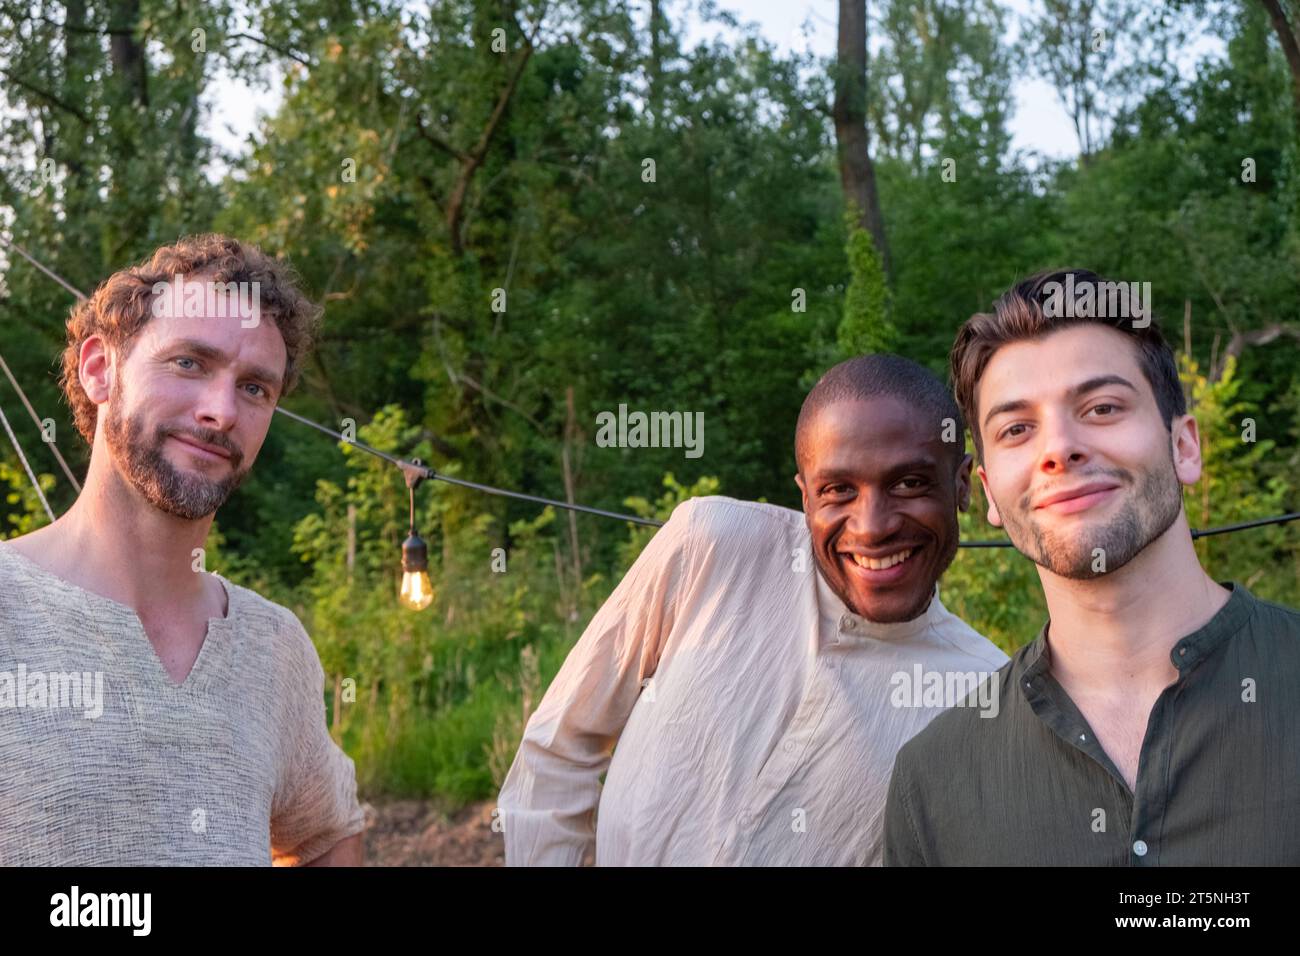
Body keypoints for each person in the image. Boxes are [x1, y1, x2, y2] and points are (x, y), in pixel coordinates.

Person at [498, 354, 1008, 865]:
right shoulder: (711, 548)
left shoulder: (989, 701)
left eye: (909, 483)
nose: (872, 527)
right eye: (838, 490)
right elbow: (559, 750)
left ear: (961, 484)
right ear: (805, 496)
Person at [884, 268, 1300, 865]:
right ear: (989, 493)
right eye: (1017, 429)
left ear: (1184, 446)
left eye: (1102, 407)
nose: (1059, 448)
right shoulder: (933, 785)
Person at [0, 234, 365, 865]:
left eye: (255, 388)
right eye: (190, 363)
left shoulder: (274, 649)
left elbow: (327, 832)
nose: (221, 412)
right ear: (99, 369)